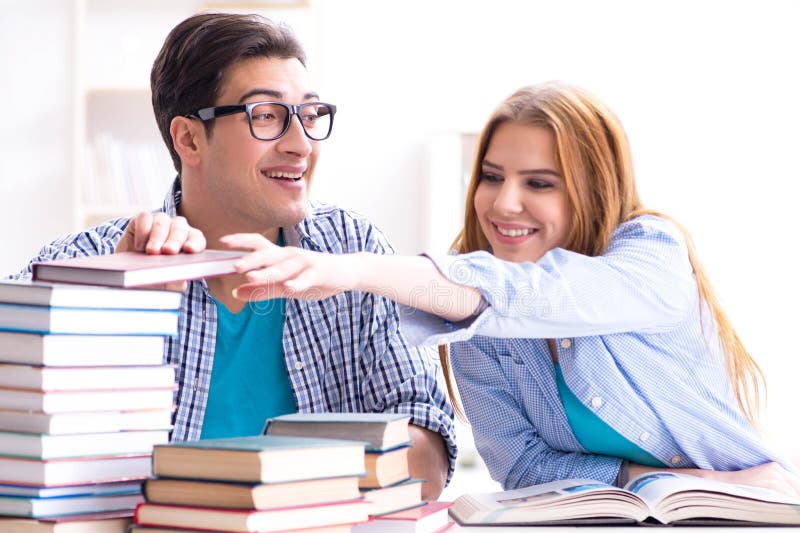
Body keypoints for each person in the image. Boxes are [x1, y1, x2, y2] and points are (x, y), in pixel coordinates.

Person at [219, 82, 800, 498]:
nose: (503, 203)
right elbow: (521, 465)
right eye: (492, 177)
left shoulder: (653, 255)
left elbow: (541, 294)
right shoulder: (474, 321)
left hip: (744, 523)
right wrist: (649, 482)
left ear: (591, 191)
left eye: (539, 184)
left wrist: (350, 269)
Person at [8, 12, 455, 499]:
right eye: (265, 116)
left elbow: (430, 450)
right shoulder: (86, 263)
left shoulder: (354, 249)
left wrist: (275, 493)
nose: (301, 145)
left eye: (308, 115)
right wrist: (110, 308)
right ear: (189, 139)